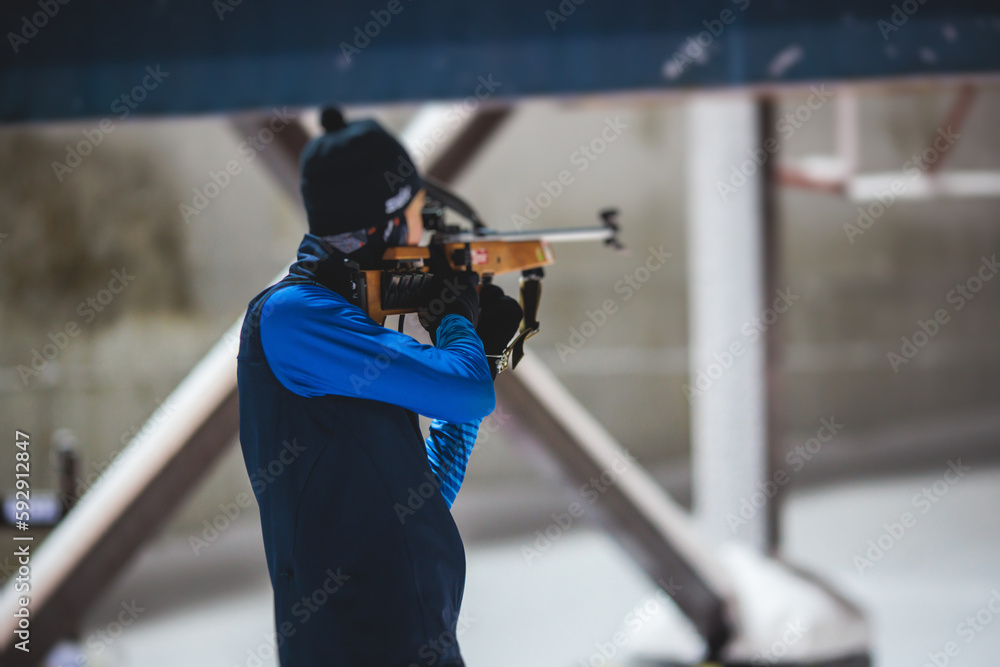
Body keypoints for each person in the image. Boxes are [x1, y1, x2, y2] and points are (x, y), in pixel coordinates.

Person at [236, 109, 521, 666]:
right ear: (383, 226)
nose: (422, 236)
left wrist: (479, 352)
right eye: (415, 217)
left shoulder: (348, 328)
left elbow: (424, 496)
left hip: (420, 638)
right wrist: (457, 324)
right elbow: (467, 390)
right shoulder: (294, 318)